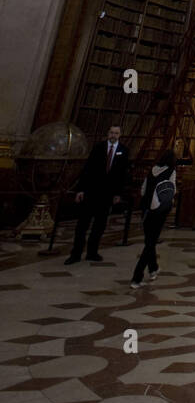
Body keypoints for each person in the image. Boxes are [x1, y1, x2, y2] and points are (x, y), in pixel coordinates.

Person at [64, 122, 130, 264]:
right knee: (82, 225)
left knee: (99, 226)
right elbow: (87, 169)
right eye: (111, 133)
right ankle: (75, 254)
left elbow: (123, 175)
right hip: (91, 192)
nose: (113, 135)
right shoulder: (98, 147)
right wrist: (80, 189)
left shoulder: (124, 151)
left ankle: (92, 252)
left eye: (116, 133)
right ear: (108, 134)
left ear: (120, 135)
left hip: (107, 195)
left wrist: (118, 194)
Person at [130, 149, 177, 290]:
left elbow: (144, 189)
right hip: (160, 210)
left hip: (146, 209)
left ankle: (153, 268)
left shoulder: (153, 170)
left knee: (149, 240)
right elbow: (172, 190)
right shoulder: (171, 172)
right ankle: (136, 277)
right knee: (150, 243)